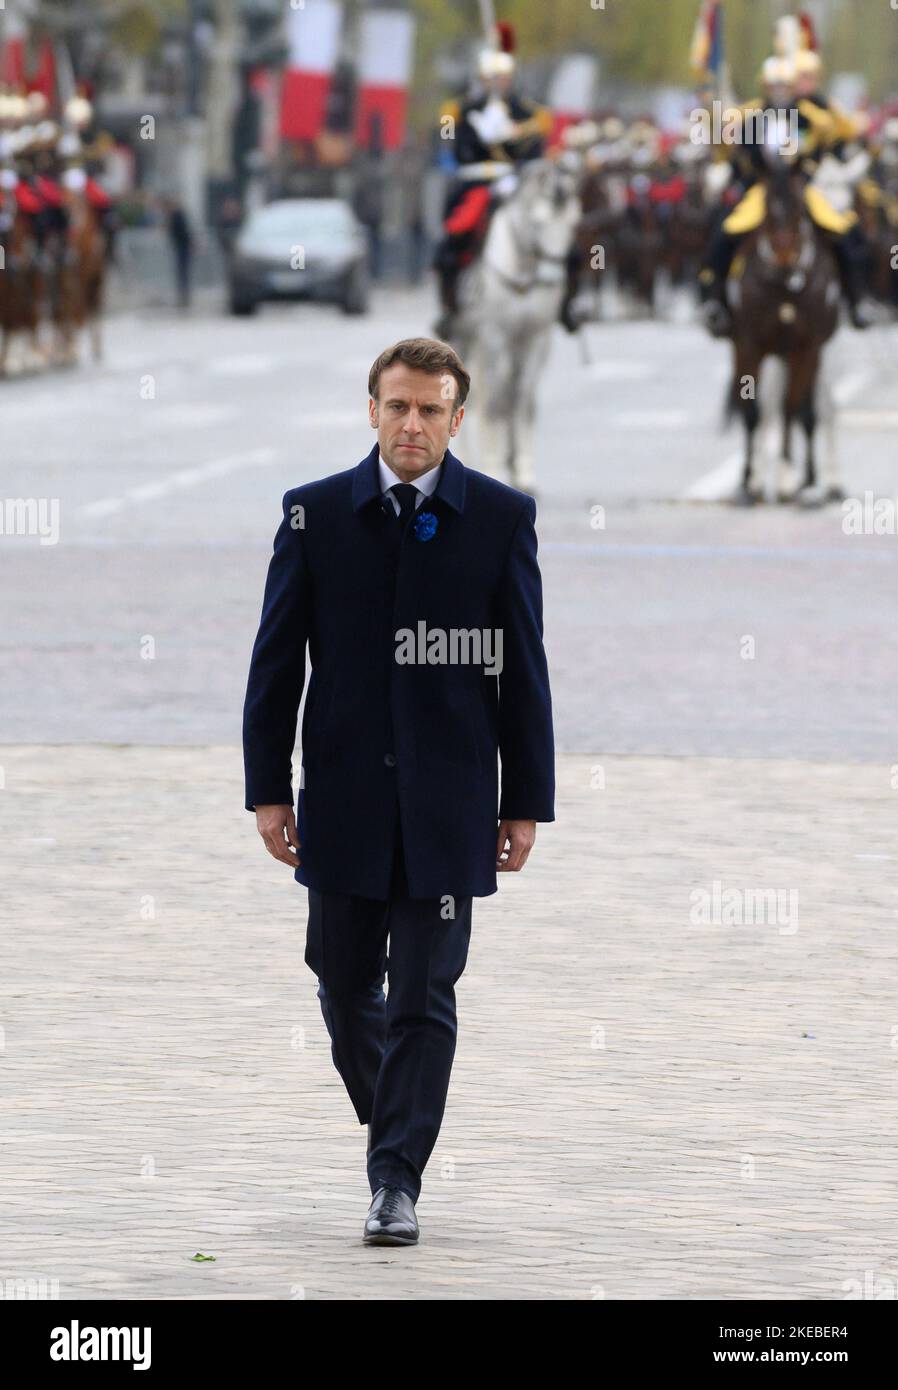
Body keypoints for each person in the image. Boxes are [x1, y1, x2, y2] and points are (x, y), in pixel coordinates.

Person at [242, 337, 555, 1246]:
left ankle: (395, 1181)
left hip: (452, 804)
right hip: (339, 800)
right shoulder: (313, 515)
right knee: (341, 985)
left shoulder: (500, 518)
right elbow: (276, 663)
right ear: (371, 411)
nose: (411, 424)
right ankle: (399, 1126)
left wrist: (524, 800)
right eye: (397, 406)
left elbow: (522, 670)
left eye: (430, 409)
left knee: (423, 994)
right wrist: (269, 789)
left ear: (459, 420)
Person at [698, 56, 874, 335]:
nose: (779, 91)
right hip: (762, 187)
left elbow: (818, 153)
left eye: (784, 86)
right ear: (766, 87)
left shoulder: (809, 118)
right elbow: (744, 156)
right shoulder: (752, 117)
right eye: (774, 86)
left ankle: (857, 299)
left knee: (840, 229)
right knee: (726, 230)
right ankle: (713, 300)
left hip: (801, 187)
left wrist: (802, 176)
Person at [432, 28, 564, 338]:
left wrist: (510, 136)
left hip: (514, 182)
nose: (495, 83)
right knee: (456, 234)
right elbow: (454, 146)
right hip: (477, 181)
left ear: (510, 79)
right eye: (490, 77)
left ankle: (566, 302)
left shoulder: (528, 113)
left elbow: (535, 153)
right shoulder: (461, 111)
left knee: (554, 229)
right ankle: (450, 305)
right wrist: (482, 133)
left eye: (501, 77)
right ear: (481, 78)